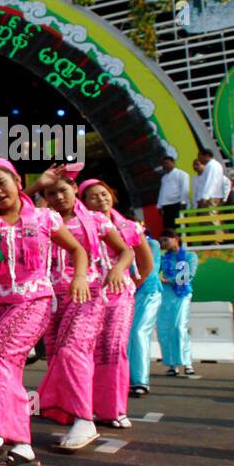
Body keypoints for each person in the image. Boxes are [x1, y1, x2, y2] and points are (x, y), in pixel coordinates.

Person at [0, 147, 88, 466]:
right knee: (6, 369)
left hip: (34, 301)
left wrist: (79, 276)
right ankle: (23, 447)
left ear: (17, 182)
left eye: (1, 184)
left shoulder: (44, 218)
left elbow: (77, 249)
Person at [31, 166, 132, 451]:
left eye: (63, 191)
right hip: (51, 298)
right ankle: (71, 412)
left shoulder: (97, 221)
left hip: (88, 294)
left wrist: (116, 271)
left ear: (75, 190)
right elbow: (15, 207)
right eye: (51, 193)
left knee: (72, 350)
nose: (58, 197)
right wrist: (37, 183)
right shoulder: (42, 219)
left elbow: (126, 251)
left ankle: (85, 420)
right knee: (56, 356)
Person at [78, 179, 154, 426]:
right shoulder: (78, 227)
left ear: (112, 195)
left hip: (119, 297)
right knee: (86, 351)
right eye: (92, 196)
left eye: (104, 193)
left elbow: (146, 265)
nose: (100, 199)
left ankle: (114, 409)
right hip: (87, 296)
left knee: (113, 348)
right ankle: (83, 408)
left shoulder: (130, 227)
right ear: (83, 203)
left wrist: (129, 284)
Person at [156, 229, 199, 378]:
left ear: (176, 239)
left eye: (166, 240)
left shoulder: (189, 256)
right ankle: (172, 364)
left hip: (182, 294)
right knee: (165, 329)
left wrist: (168, 280)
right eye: (161, 241)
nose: (163, 244)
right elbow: (153, 271)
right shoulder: (163, 258)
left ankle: (187, 363)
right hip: (165, 295)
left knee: (179, 327)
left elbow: (187, 276)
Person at [127, 227, 163, 397]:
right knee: (127, 336)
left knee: (139, 332)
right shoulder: (122, 243)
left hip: (149, 291)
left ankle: (141, 380)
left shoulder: (152, 243)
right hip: (130, 292)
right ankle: (127, 379)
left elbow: (146, 268)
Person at [155, 155, 189, 230]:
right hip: (166, 206)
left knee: (180, 226)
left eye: (166, 163)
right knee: (168, 227)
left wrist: (183, 203)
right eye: (163, 164)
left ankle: (184, 242)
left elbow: (184, 189)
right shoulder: (164, 177)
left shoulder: (182, 174)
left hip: (177, 204)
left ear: (173, 163)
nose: (164, 165)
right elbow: (162, 192)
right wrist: (160, 206)